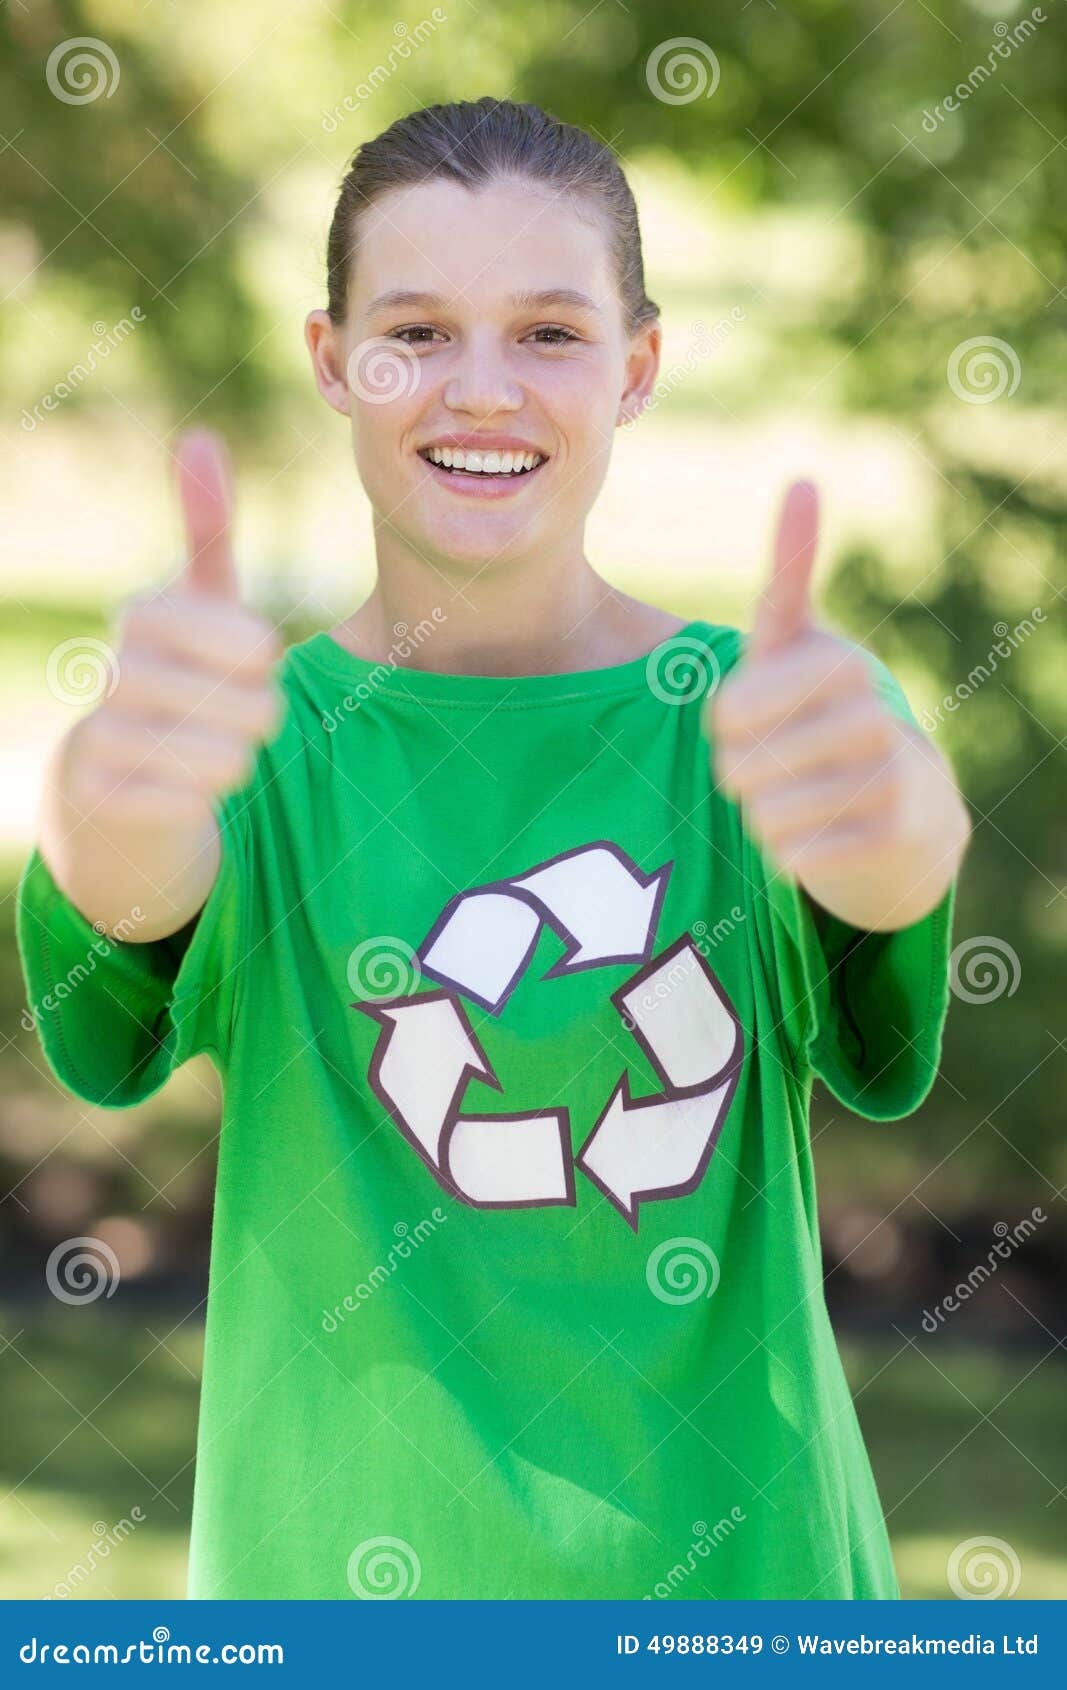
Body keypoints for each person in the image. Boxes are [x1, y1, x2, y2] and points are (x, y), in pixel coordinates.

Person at [17, 96, 971, 1601]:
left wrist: (901, 824)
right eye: (416, 332)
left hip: (750, 1596)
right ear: (333, 361)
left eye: (548, 333)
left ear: (637, 368)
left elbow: (878, 869)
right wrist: (108, 788)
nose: (481, 391)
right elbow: (132, 881)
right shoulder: (250, 745)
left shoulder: (750, 724)